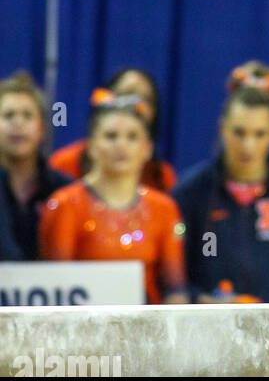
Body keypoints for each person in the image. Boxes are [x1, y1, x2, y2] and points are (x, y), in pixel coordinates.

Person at [173, 85, 269, 303]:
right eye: (239, 132)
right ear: (223, 128)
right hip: (210, 321)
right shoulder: (191, 192)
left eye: (259, 134)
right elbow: (174, 278)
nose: (248, 145)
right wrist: (203, 301)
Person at [39, 90, 188, 304]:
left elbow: (175, 287)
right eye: (111, 136)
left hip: (146, 320)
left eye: (132, 137)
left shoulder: (164, 208)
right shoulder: (65, 204)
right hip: (83, 319)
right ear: (91, 146)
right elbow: (55, 287)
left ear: (147, 148)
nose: (121, 145)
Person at [50, 67, 176, 191]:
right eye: (127, 94)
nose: (135, 105)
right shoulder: (63, 165)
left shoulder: (162, 177)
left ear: (148, 148)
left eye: (146, 99)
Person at [0, 71, 72, 260]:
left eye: (27, 115)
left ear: (42, 128)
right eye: (8, 115)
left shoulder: (65, 188)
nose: (18, 123)